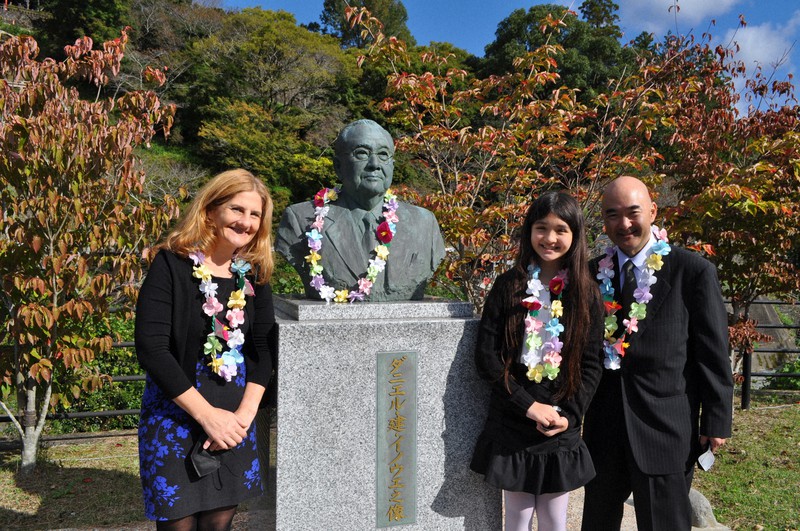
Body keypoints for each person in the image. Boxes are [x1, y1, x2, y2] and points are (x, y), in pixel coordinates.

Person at [581, 176, 733, 531]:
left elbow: (712, 351)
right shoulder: (590, 275)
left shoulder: (692, 271)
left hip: (665, 427)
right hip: (603, 427)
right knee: (597, 521)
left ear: (652, 210)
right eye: (612, 215)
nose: (624, 224)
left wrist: (716, 419)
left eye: (633, 212)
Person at [135, 169, 275, 530]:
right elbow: (152, 348)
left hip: (235, 421)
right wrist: (207, 416)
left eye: (255, 214)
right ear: (211, 209)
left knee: (219, 523)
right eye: (236, 209)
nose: (245, 222)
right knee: (177, 522)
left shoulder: (254, 273)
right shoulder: (171, 264)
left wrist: (242, 417)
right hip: (177, 415)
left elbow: (263, 349)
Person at [470, 192, 605, 531]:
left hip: (560, 426)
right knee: (515, 519)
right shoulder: (508, 287)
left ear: (575, 235)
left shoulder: (586, 293)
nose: (550, 238)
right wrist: (528, 406)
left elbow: (591, 365)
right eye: (541, 227)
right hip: (515, 422)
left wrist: (567, 415)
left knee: (554, 520)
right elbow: (487, 358)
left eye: (561, 229)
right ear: (529, 231)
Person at [275, 119, 445, 302]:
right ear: (338, 166)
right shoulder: (300, 220)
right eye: (362, 153)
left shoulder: (423, 223)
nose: (374, 164)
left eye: (383, 154)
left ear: (392, 165)